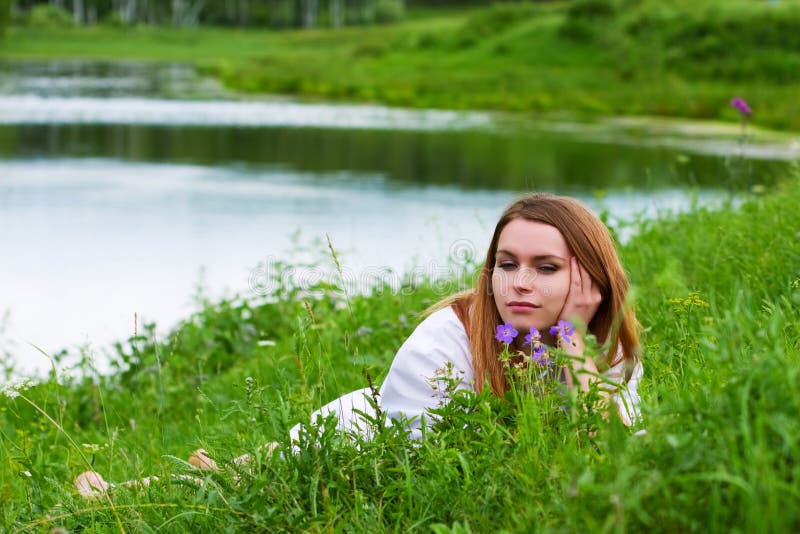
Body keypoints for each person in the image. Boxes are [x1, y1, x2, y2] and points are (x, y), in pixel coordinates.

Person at [75, 192, 643, 496]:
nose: (518, 283)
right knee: (250, 478)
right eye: (506, 263)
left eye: (546, 267)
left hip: (400, 427)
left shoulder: (606, 348)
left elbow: (616, 457)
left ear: (588, 278)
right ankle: (107, 491)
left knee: (238, 471)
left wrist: (571, 346)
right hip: (363, 434)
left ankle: (213, 467)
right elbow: (422, 462)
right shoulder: (449, 334)